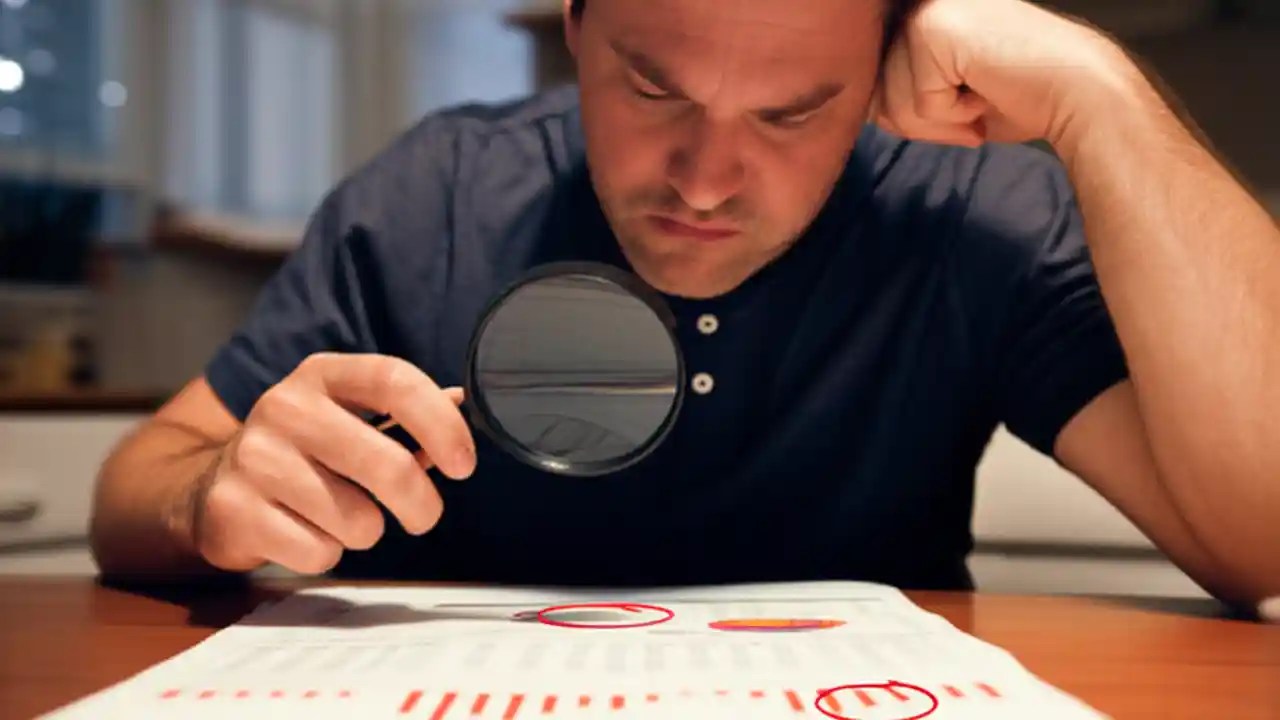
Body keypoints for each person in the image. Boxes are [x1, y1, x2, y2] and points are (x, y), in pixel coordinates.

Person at [89, 0, 1280, 611]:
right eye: (651, 85)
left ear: (881, 68)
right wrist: (213, 492)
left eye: (790, 112)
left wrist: (1098, 95)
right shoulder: (434, 194)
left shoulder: (968, 215)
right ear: (573, 28)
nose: (704, 182)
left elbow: (1262, 540)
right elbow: (140, 488)